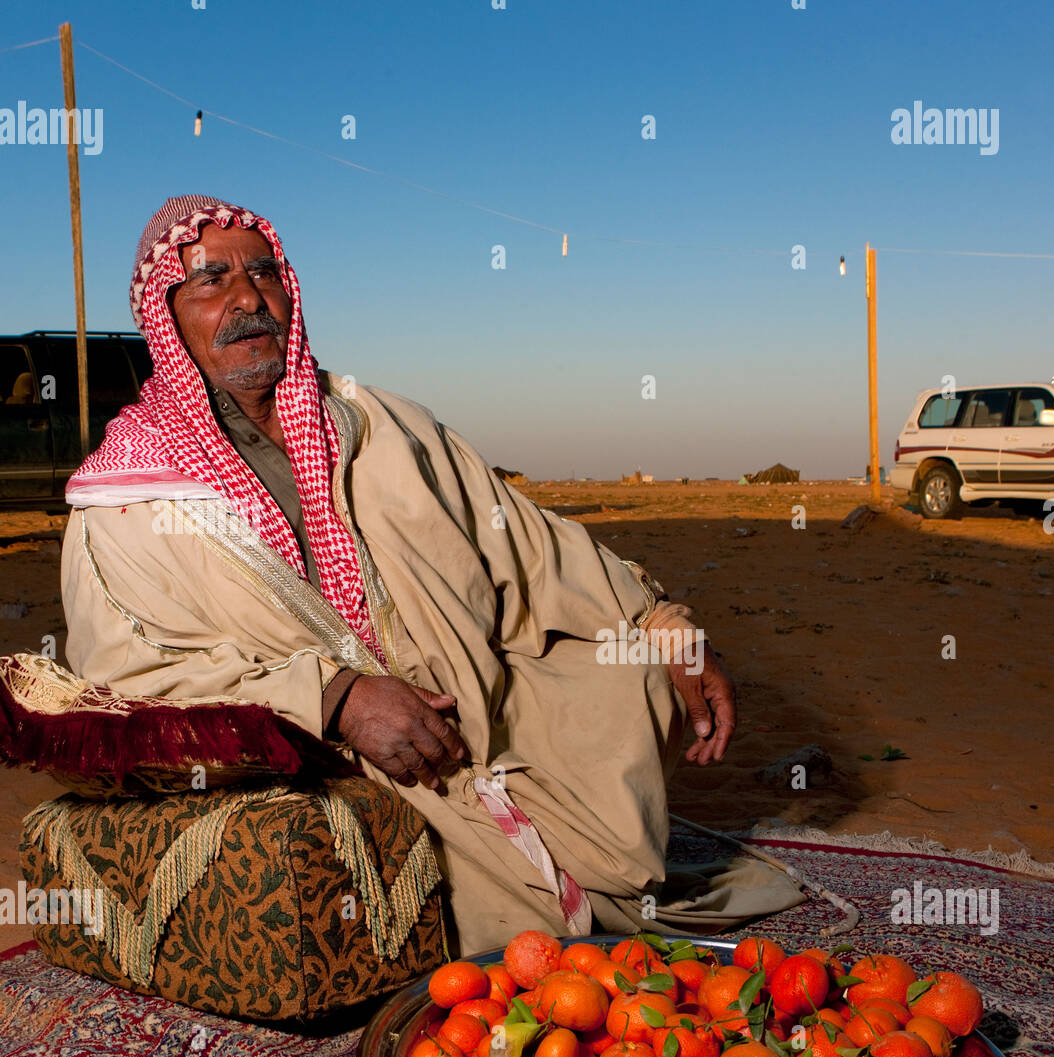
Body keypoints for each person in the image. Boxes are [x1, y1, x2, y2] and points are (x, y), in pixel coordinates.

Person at [60, 196, 803, 955]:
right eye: (211, 281)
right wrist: (337, 699)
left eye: (263, 273)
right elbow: (127, 679)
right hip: (323, 754)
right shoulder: (124, 500)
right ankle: (507, 891)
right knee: (433, 918)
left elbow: (529, 546)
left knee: (639, 670)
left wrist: (662, 625)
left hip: (480, 709)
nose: (248, 299)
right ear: (167, 317)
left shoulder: (382, 425)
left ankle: (557, 859)